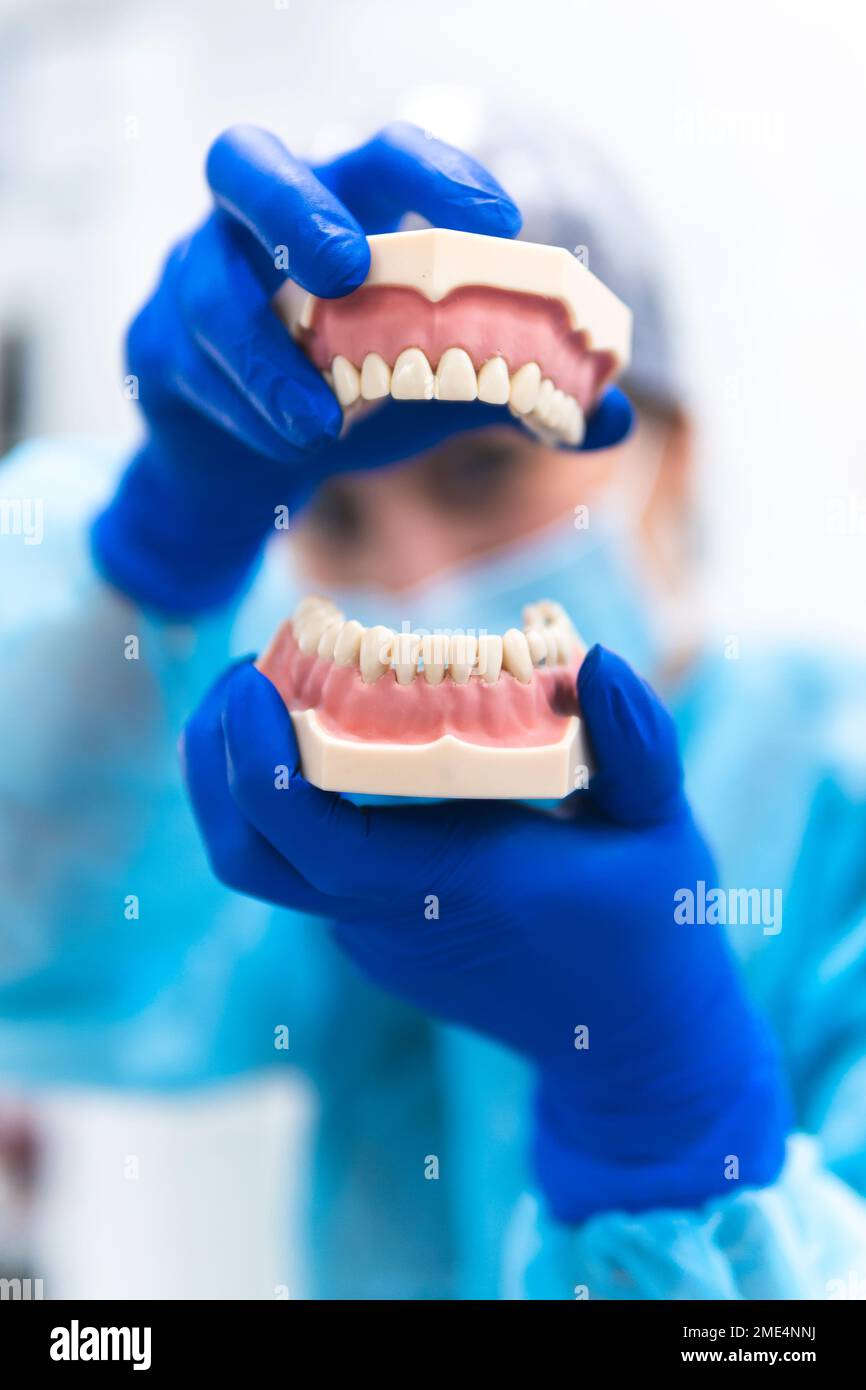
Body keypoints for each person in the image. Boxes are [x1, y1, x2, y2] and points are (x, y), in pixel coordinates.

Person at [2, 119, 866, 1300]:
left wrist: (674, 1124)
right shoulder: (341, 849)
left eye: (482, 471)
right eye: (336, 513)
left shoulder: (836, 798)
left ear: (669, 459)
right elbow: (38, 946)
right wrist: (150, 564)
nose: (416, 581)